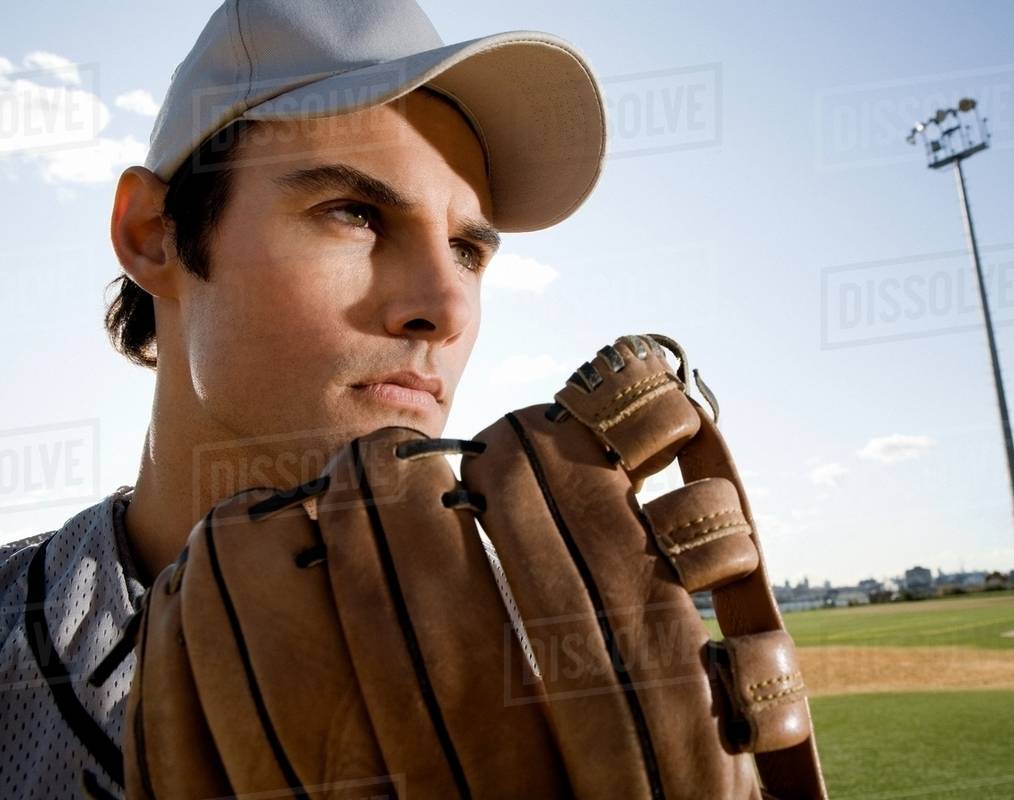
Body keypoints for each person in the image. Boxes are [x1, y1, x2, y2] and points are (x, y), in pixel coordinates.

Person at [0, 1, 606, 797]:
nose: (447, 307)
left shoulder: (560, 672)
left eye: (466, 250)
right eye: (354, 213)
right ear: (154, 233)